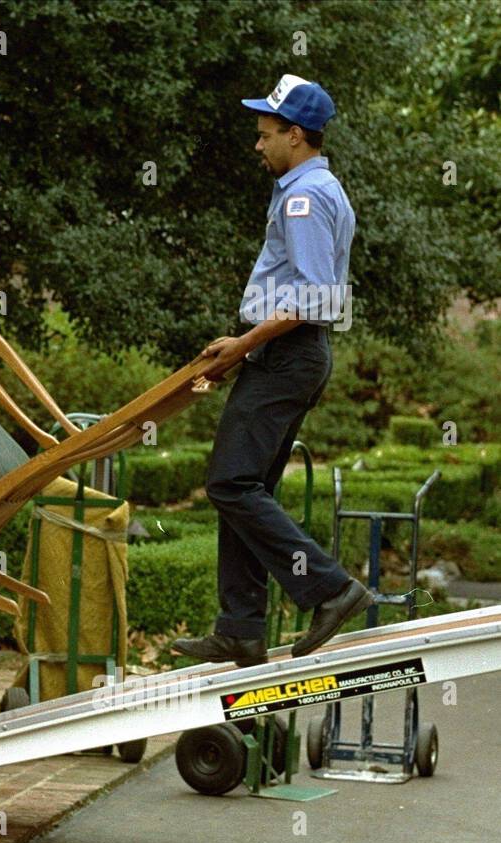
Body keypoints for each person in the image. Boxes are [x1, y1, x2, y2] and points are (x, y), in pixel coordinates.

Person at [175, 75, 372, 669]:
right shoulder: (321, 187)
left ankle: (331, 588)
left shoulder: (303, 198)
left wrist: (243, 344)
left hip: (286, 354)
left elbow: (312, 296)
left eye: (265, 136)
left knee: (229, 483)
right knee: (245, 487)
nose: (257, 146)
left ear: (295, 135)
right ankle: (240, 629)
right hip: (292, 355)